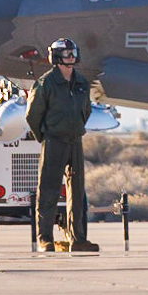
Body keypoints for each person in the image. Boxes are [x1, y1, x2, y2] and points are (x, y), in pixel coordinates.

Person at [24, 38, 99, 253]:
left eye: (73, 52)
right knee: (48, 190)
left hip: (75, 141)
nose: (71, 57)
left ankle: (78, 239)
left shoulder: (81, 83)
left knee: (77, 193)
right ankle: (45, 239)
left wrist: (75, 129)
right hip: (54, 141)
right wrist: (46, 136)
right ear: (56, 57)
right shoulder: (46, 83)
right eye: (67, 53)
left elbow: (86, 111)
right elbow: (32, 115)